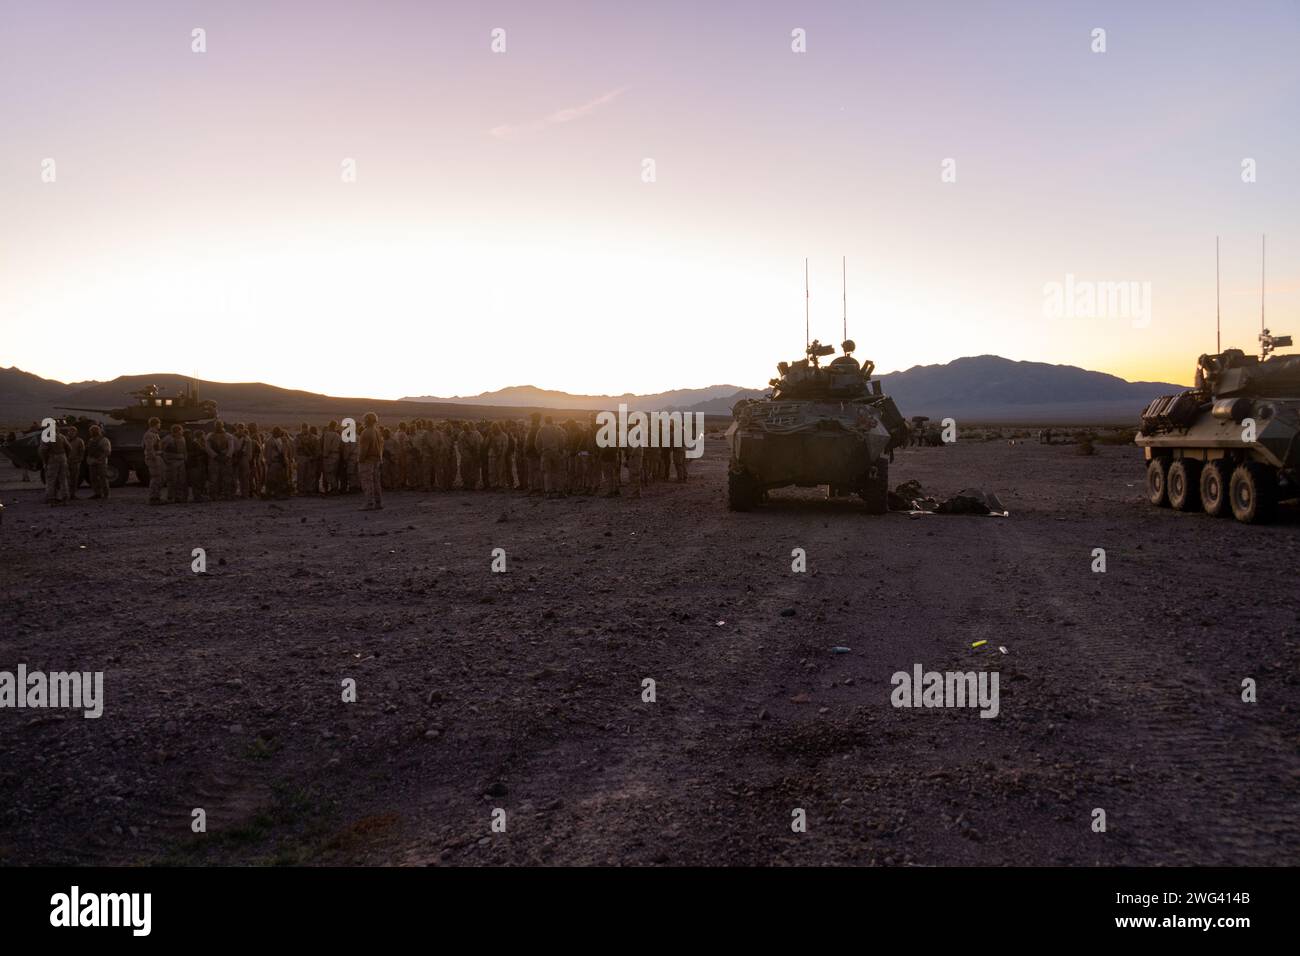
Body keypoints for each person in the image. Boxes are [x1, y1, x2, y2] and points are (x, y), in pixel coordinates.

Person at [38, 427, 72, 505]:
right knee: (63, 479)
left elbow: (43, 450)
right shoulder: (62, 437)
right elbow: (69, 448)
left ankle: (51, 498)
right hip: (63, 458)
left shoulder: (46, 438)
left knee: (50, 479)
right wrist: (66, 456)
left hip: (52, 458)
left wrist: (45, 461)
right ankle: (65, 497)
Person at [358, 412, 384, 510]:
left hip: (367, 460)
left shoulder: (366, 432)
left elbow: (364, 449)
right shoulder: (377, 431)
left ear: (367, 420)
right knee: (376, 482)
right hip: (376, 460)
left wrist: (360, 460)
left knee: (367, 482)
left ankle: (369, 503)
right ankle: (378, 502)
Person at [536, 416, 565, 499]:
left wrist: (540, 451)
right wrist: (561, 450)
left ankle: (548, 492)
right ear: (552, 421)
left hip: (545, 453)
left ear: (545, 421)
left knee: (547, 473)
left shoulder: (541, 429)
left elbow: (537, 442)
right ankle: (560, 491)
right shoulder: (557, 429)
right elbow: (561, 440)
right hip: (556, 452)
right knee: (558, 472)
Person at [207, 421, 234, 500]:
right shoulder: (210, 436)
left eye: (220, 425)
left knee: (227, 478)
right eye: (217, 425)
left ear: (223, 426)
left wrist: (227, 456)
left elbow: (231, 447)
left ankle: (226, 494)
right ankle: (213, 495)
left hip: (225, 459)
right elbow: (208, 448)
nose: (218, 427)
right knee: (213, 478)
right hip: (214, 460)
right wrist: (215, 456)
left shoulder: (228, 436)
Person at [162, 425, 188, 503]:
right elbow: (163, 451)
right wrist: (167, 461)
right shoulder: (168, 439)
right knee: (172, 480)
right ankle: (170, 497)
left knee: (181, 480)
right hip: (172, 462)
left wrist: (185, 458)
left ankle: (178, 497)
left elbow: (184, 450)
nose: (181, 432)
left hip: (181, 461)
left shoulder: (182, 438)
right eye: (180, 431)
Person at [85, 424, 112, 499]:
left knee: (103, 478)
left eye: (94, 430)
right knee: (93, 478)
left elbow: (107, 451)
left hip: (101, 461)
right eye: (92, 431)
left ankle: (106, 494)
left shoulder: (104, 440)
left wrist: (100, 458)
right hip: (92, 461)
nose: (93, 432)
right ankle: (97, 493)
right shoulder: (91, 440)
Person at [143, 417, 165, 505]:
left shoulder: (154, 434)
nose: (160, 425)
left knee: (160, 478)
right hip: (154, 458)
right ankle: (153, 498)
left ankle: (157, 496)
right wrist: (154, 458)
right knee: (155, 478)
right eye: (159, 423)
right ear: (156, 424)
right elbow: (149, 448)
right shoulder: (150, 434)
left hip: (157, 457)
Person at [320, 420, 341, 495]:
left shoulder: (327, 434)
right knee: (334, 473)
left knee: (329, 473)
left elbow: (326, 446)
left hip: (329, 456)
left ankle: (333, 489)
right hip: (336, 456)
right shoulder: (338, 435)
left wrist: (325, 455)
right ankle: (334, 488)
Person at [64, 425, 85, 500]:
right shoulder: (64, 439)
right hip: (65, 462)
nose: (71, 432)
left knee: (74, 479)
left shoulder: (79, 441)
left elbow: (82, 452)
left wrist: (79, 460)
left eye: (73, 431)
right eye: (70, 431)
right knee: (65, 479)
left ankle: (72, 494)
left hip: (75, 462)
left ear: (76, 432)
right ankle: (66, 494)